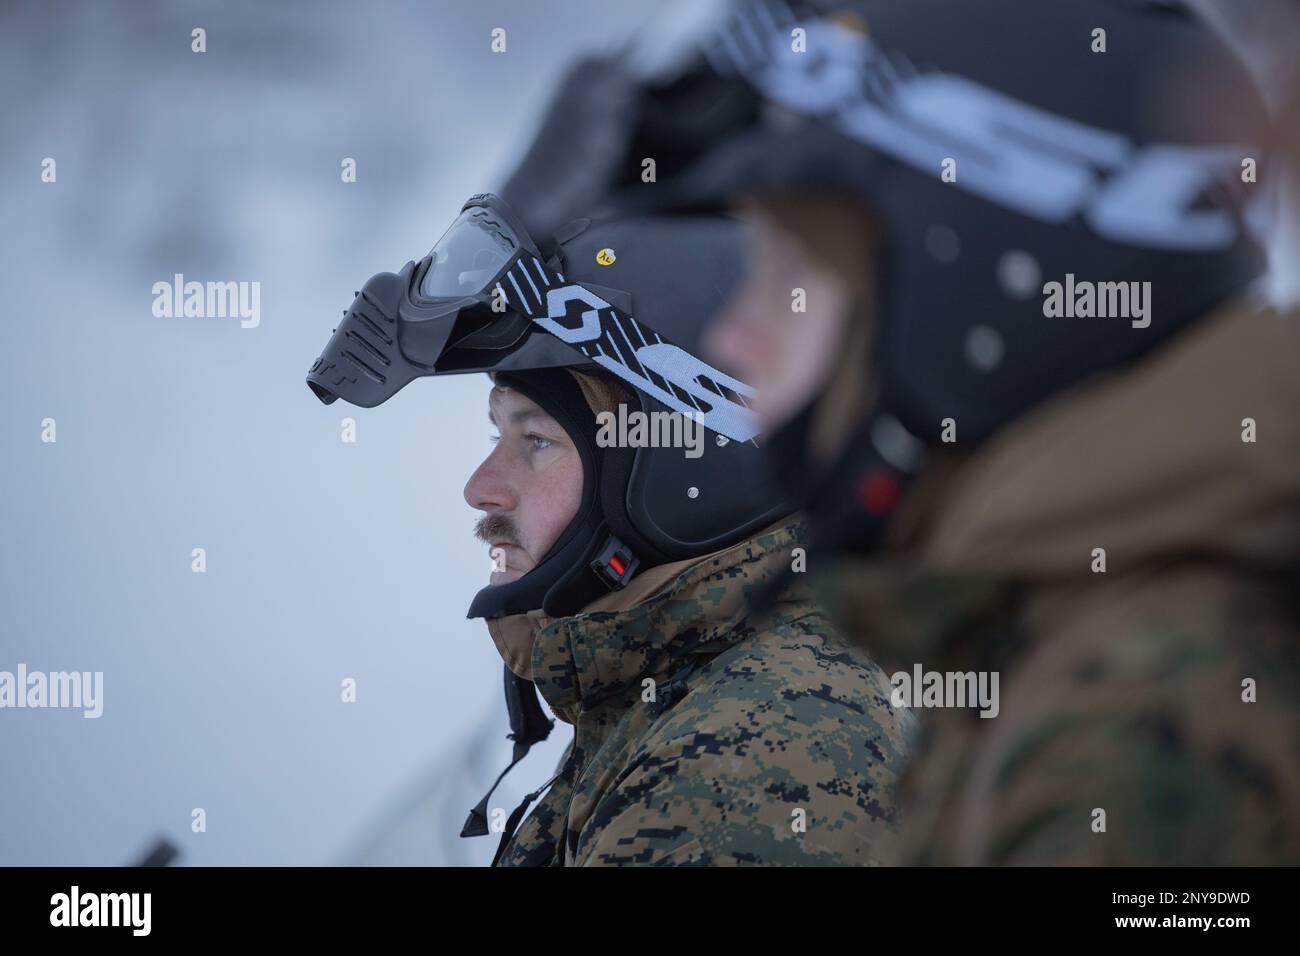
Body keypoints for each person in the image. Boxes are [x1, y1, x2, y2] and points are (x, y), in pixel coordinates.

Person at [521, 0, 1300, 863]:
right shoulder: (1059, 643)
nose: (729, 341)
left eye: (786, 272)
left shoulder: (1148, 724)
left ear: (977, 290)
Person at [306, 193, 915, 865]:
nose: (480, 489)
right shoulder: (676, 684)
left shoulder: (757, 752)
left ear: (687, 467)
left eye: (536, 440)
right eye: (495, 432)